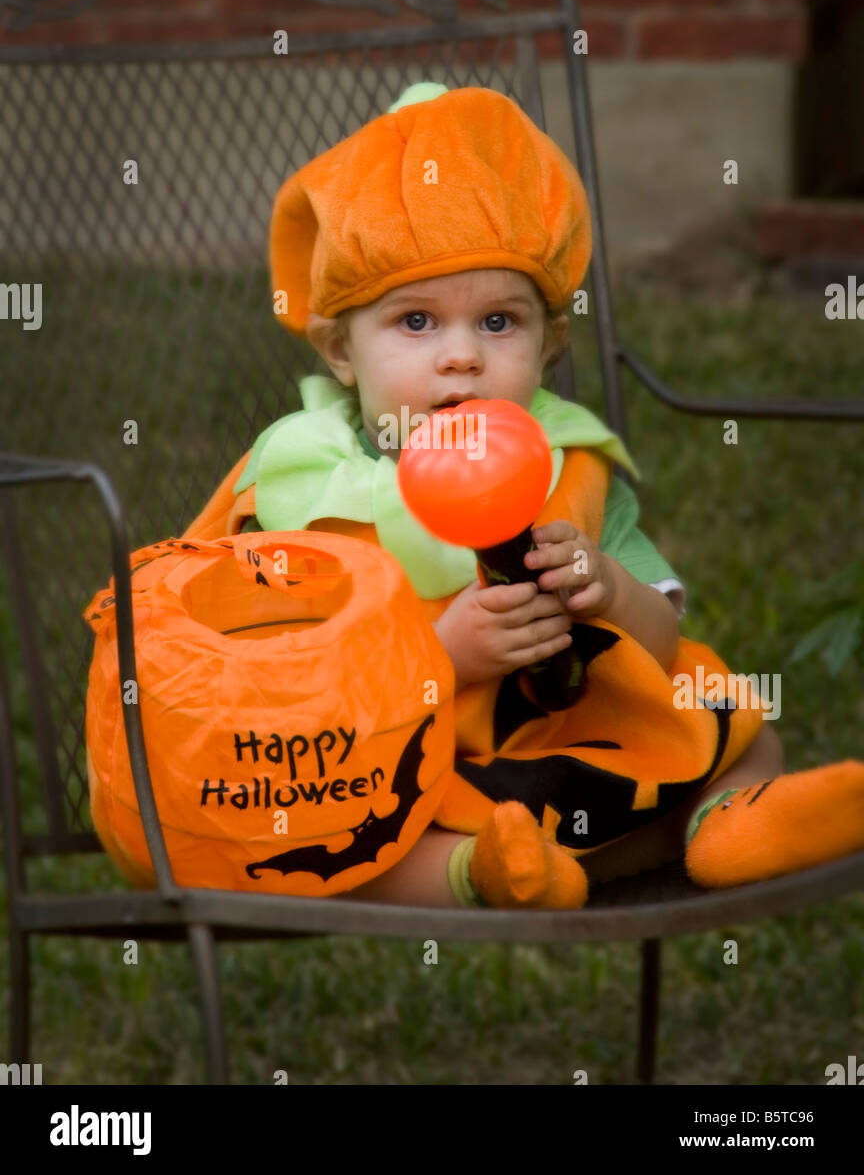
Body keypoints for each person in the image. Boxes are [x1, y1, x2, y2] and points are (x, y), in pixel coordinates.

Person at [184, 82, 864, 909]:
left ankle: (731, 826)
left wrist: (608, 590)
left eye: (499, 323)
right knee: (336, 836)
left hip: (573, 748)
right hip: (401, 772)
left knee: (739, 723)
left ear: (548, 348)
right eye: (416, 323)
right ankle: (484, 875)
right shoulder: (302, 485)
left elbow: (657, 643)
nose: (462, 356)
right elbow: (276, 689)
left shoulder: (561, 465)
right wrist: (441, 656)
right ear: (339, 352)